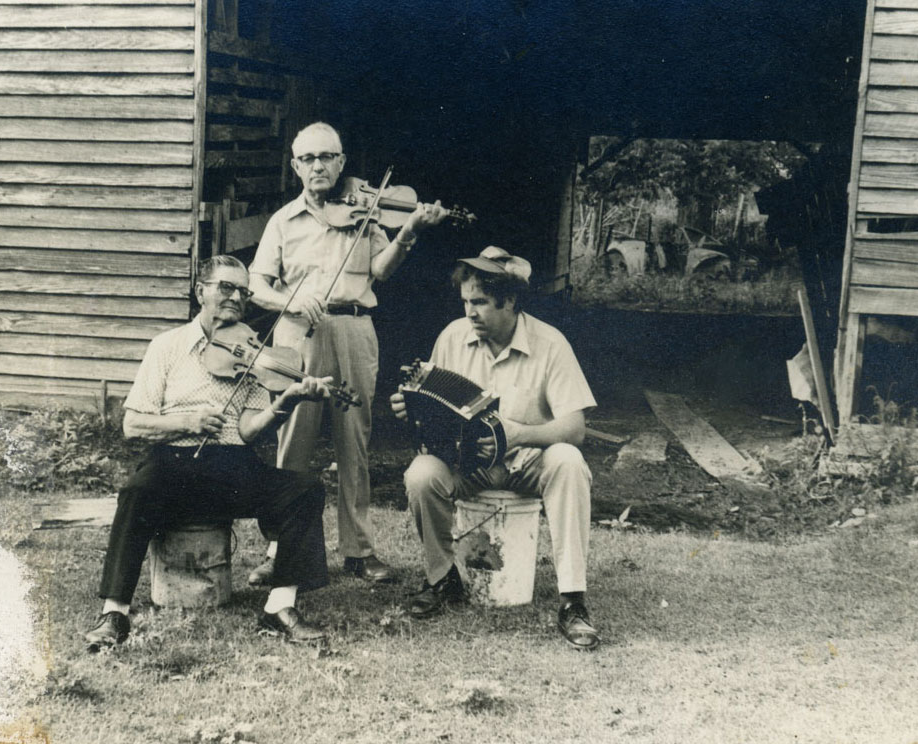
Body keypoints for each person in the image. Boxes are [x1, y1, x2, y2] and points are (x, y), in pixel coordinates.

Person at [84, 255, 334, 650]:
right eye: (226, 287)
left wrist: (286, 400)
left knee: (304, 488)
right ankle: (115, 613)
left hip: (233, 466)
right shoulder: (166, 347)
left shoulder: (252, 350)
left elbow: (249, 430)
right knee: (136, 492)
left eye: (243, 291)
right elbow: (133, 424)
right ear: (201, 291)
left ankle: (280, 607)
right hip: (173, 461)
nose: (236, 297)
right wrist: (188, 422)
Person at [247, 122, 447, 583]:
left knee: (354, 440)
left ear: (341, 162)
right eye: (309, 158)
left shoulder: (366, 213)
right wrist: (289, 300)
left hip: (356, 328)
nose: (319, 165)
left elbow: (382, 270)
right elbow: (257, 285)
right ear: (296, 166)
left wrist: (409, 232)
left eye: (327, 157)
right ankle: (281, 549)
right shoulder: (282, 221)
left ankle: (358, 551)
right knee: (291, 441)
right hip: (298, 334)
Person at [390, 246, 601, 651]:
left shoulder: (550, 343)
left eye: (481, 302)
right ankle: (442, 578)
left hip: (528, 462)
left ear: (510, 300)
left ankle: (573, 601)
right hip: (469, 465)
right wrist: (410, 410)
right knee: (421, 474)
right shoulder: (452, 337)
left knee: (569, 461)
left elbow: (575, 428)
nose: (470, 312)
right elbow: (434, 411)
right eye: (466, 301)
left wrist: (518, 433)